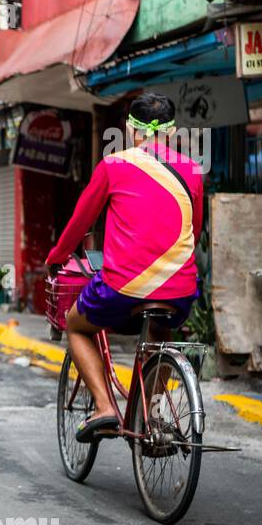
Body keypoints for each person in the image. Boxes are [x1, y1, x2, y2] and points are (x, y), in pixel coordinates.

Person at [46, 92, 204, 442]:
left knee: (76, 325)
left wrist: (57, 256)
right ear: (173, 132)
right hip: (180, 290)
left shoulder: (114, 166)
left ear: (132, 130)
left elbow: (79, 223)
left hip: (123, 288)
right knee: (161, 336)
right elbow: (196, 228)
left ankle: (103, 407)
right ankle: (151, 416)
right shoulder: (193, 171)